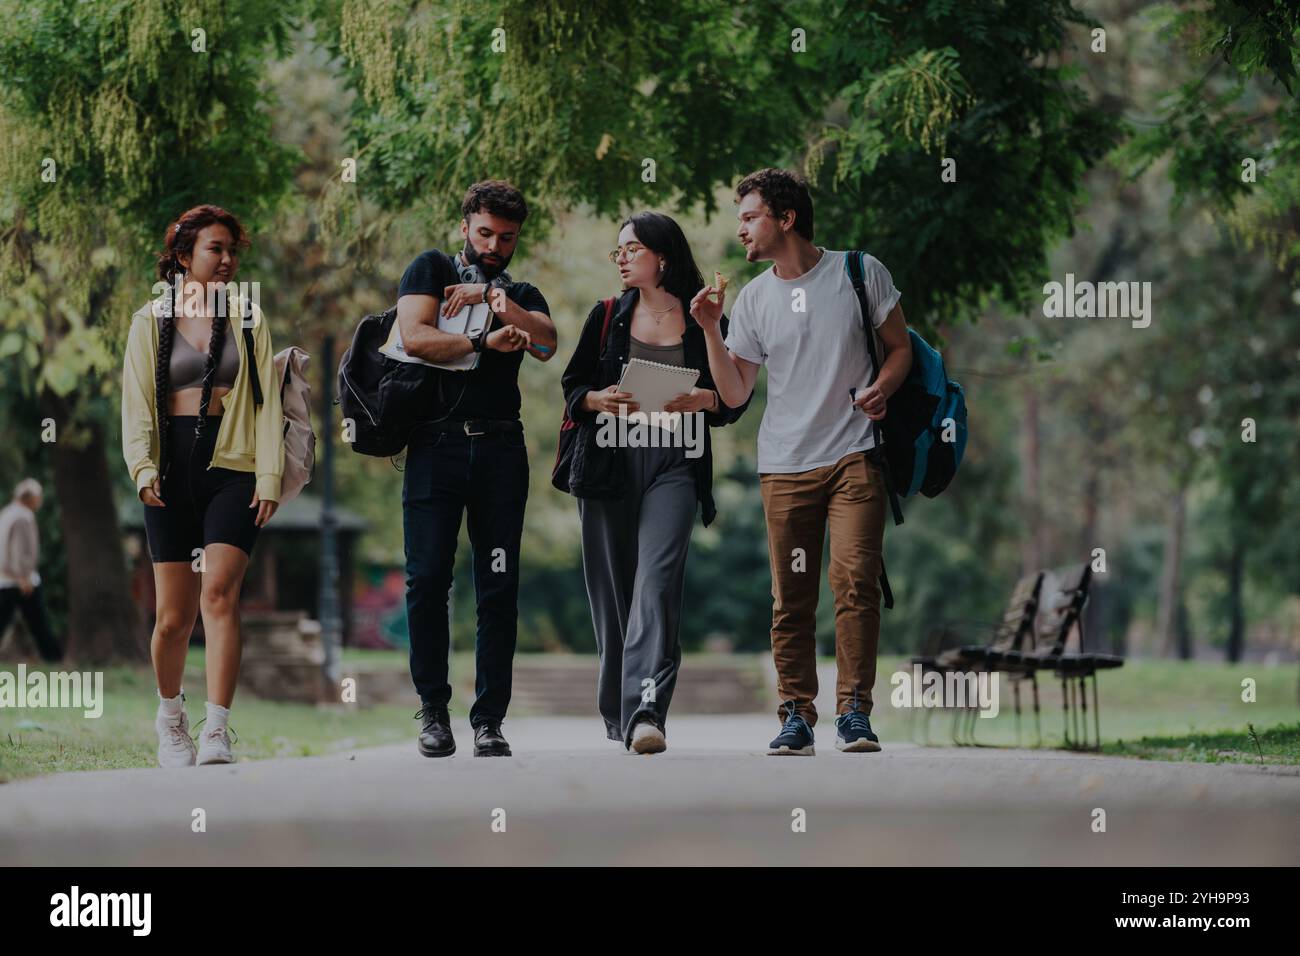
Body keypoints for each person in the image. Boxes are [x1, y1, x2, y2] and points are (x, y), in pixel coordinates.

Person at [691, 168, 913, 755]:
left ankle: (855, 713)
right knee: (791, 594)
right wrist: (712, 330)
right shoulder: (756, 297)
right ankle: (795, 714)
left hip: (854, 457)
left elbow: (900, 348)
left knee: (856, 581)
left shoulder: (860, 273)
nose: (739, 230)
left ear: (785, 219)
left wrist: (883, 388)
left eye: (749, 217)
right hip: (785, 464)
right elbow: (735, 393)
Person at [561, 212, 749, 754]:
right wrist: (598, 399)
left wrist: (704, 398)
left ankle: (647, 711)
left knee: (656, 585)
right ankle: (618, 713)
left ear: (661, 256)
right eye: (617, 250)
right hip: (609, 463)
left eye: (631, 248)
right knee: (614, 593)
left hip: (676, 463)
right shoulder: (606, 316)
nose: (620, 257)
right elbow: (574, 387)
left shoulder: (703, 317)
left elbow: (732, 399)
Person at [397, 180, 557, 759]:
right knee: (427, 580)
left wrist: (499, 303)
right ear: (465, 225)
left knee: (498, 585)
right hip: (434, 448)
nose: (494, 245)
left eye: (506, 237)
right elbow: (415, 339)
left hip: (500, 452)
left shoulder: (521, 288)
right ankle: (434, 712)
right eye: (485, 233)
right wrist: (488, 343)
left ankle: (489, 720)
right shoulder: (430, 268)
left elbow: (547, 344)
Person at [121, 204, 284, 768]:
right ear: (184, 255)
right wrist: (143, 469)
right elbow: (137, 404)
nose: (227, 260)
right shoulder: (150, 321)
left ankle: (217, 730)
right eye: (216, 249)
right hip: (170, 471)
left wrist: (269, 476)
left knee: (219, 595)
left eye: (233, 251)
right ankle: (172, 719)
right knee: (173, 619)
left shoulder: (247, 318)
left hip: (232, 467)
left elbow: (268, 407)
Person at [0, 479, 61, 662]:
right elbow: (20, 549)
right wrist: (24, 576)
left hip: (5, 579)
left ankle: (52, 657)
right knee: (39, 623)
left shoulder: (7, 513)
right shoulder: (23, 516)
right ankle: (53, 658)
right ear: (29, 498)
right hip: (21, 580)